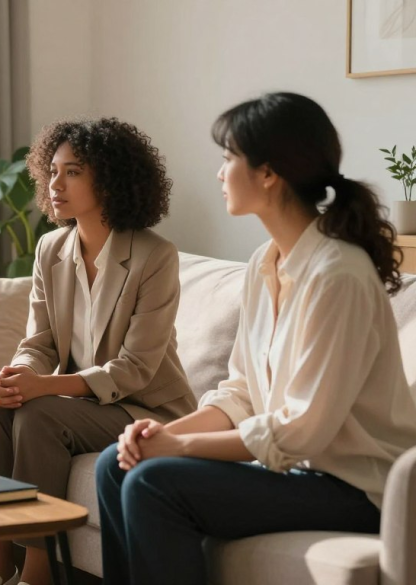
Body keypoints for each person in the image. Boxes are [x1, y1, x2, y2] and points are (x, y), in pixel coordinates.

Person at [95, 92, 416, 585]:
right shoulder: (265, 263)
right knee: (113, 466)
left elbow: (302, 431)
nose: (220, 173)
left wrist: (180, 448)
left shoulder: (339, 276)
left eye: (228, 159)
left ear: (268, 173)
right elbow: (242, 392)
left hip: (356, 487)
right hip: (296, 473)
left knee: (155, 483)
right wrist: (165, 435)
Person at [0, 118, 197, 585]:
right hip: (82, 405)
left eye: (72, 172)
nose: (55, 184)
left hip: (143, 408)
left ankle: (37, 571)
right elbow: (40, 342)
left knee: (40, 416)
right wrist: (16, 376)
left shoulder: (155, 256)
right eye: (51, 171)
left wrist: (42, 388)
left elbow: (134, 369)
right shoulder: (51, 249)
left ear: (110, 180)